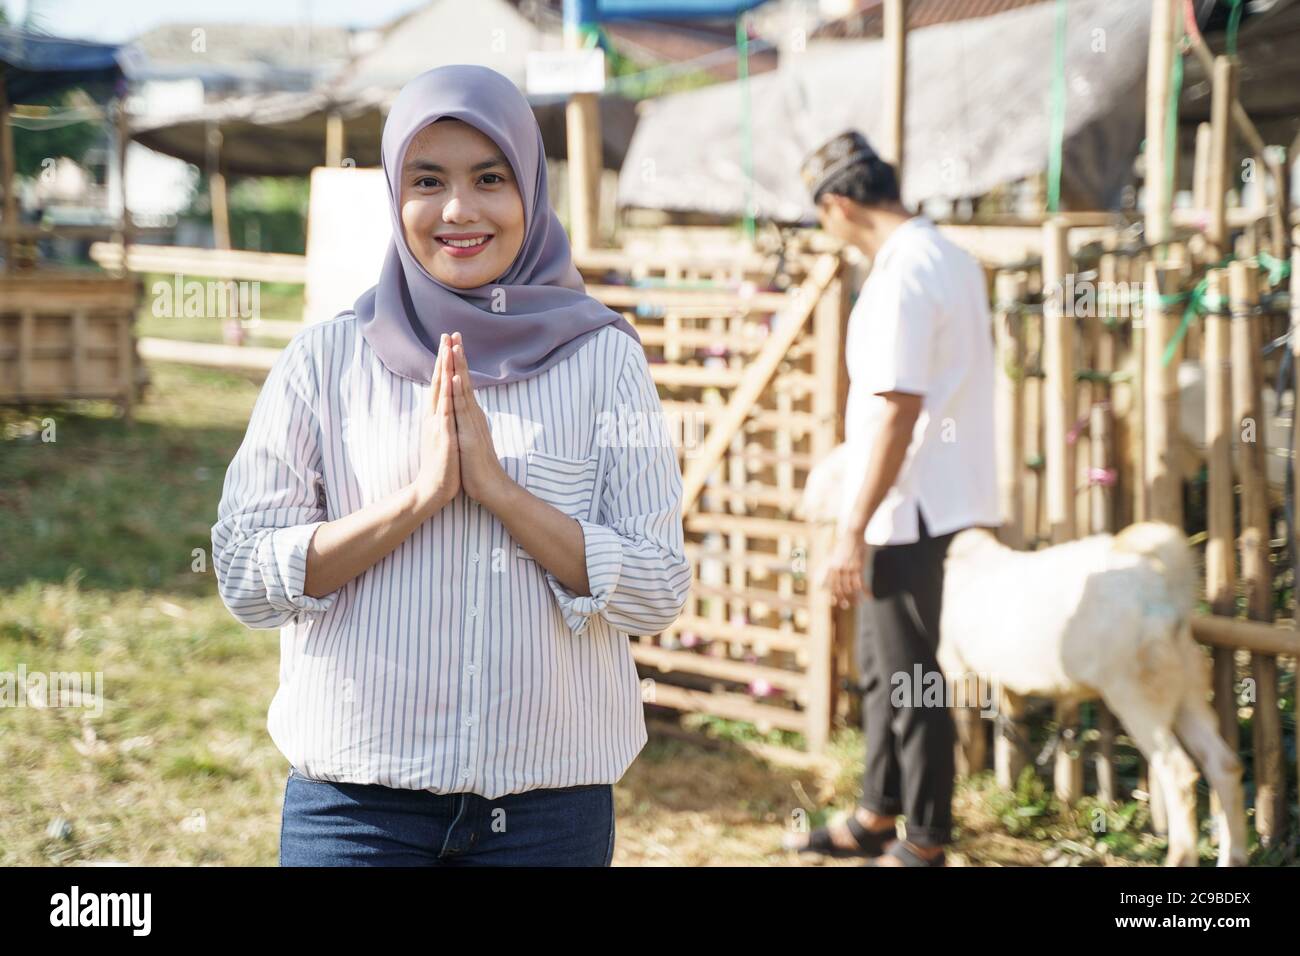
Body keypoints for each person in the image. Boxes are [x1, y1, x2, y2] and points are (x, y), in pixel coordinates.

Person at [211, 64, 692, 867]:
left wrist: (503, 496)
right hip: (357, 812)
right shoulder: (326, 361)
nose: (459, 210)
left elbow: (656, 584)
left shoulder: (605, 360)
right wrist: (421, 499)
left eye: (490, 178)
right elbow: (245, 577)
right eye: (427, 180)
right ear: (396, 197)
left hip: (547, 815)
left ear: (531, 191)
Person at [785, 131, 999, 867]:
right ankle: (877, 811)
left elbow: (897, 409)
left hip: (906, 505)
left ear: (838, 204)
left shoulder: (903, 273)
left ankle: (928, 838)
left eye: (821, 217)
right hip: (927, 496)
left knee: (912, 677)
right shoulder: (948, 256)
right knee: (883, 669)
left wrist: (851, 528)